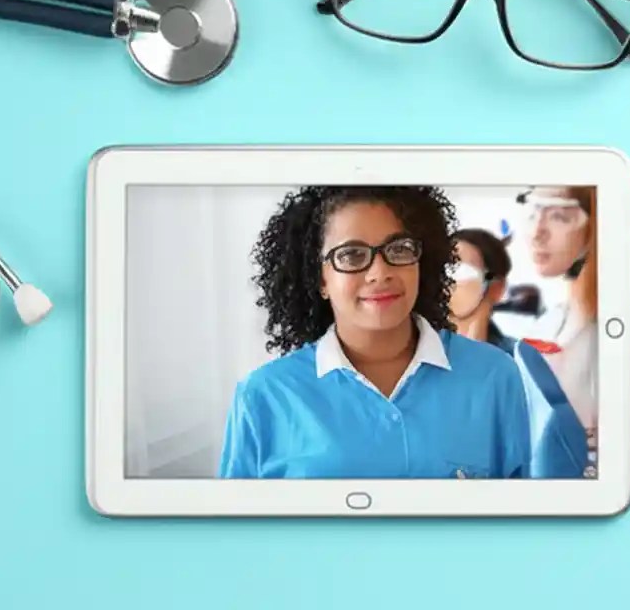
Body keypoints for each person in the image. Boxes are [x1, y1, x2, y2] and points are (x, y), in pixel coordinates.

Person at [217, 186, 532, 480]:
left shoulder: (494, 376)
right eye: (351, 255)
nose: (380, 273)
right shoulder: (263, 395)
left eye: (399, 248)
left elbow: (527, 525)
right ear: (320, 279)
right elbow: (234, 534)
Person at [449, 228, 587, 479]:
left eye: (459, 271)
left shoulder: (523, 366)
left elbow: (554, 458)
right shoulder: (406, 361)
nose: (445, 281)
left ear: (496, 288)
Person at [516, 186, 599, 476]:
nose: (537, 232)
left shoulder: (607, 332)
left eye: (560, 217)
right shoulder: (545, 327)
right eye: (533, 213)